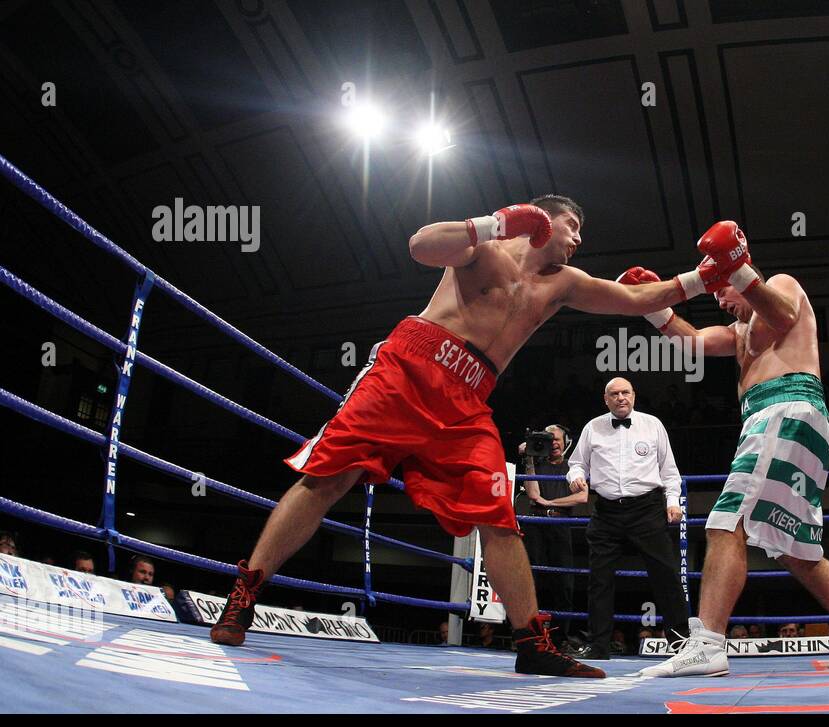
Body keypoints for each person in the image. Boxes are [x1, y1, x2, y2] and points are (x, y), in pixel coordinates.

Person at [208, 197, 748, 678]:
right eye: (572, 225)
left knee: (499, 515)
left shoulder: (563, 283)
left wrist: (704, 276)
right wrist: (493, 223)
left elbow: (632, 299)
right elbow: (420, 245)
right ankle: (244, 594)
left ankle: (531, 643)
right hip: (410, 366)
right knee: (329, 477)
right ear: (542, 218)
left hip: (468, 399)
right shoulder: (484, 249)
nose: (579, 238)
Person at [636, 222, 829, 677]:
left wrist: (739, 270)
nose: (719, 297)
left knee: (725, 520)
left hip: (785, 410)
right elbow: (690, 341)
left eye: (723, 288)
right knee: (794, 548)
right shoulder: (737, 335)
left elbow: (784, 315)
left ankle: (709, 643)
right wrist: (652, 307)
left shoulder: (779, 286)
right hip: (785, 421)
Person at [566, 377, 690, 660]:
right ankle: (599, 645)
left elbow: (669, 470)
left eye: (625, 392)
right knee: (599, 580)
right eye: (614, 394)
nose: (621, 397)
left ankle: (681, 642)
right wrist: (575, 478)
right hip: (607, 511)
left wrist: (673, 501)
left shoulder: (652, 425)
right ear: (606, 398)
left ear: (633, 396)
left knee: (667, 575)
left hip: (647, 509)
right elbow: (576, 464)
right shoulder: (593, 427)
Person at [518, 424, 584, 643]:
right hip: (536, 523)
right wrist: (528, 459)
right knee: (531, 580)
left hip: (560, 523)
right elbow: (534, 494)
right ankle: (528, 636)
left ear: (566, 442)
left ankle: (560, 639)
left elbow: (582, 497)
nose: (554, 442)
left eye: (557, 439)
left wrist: (551, 502)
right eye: (549, 439)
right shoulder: (536, 464)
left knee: (564, 583)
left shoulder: (573, 468)